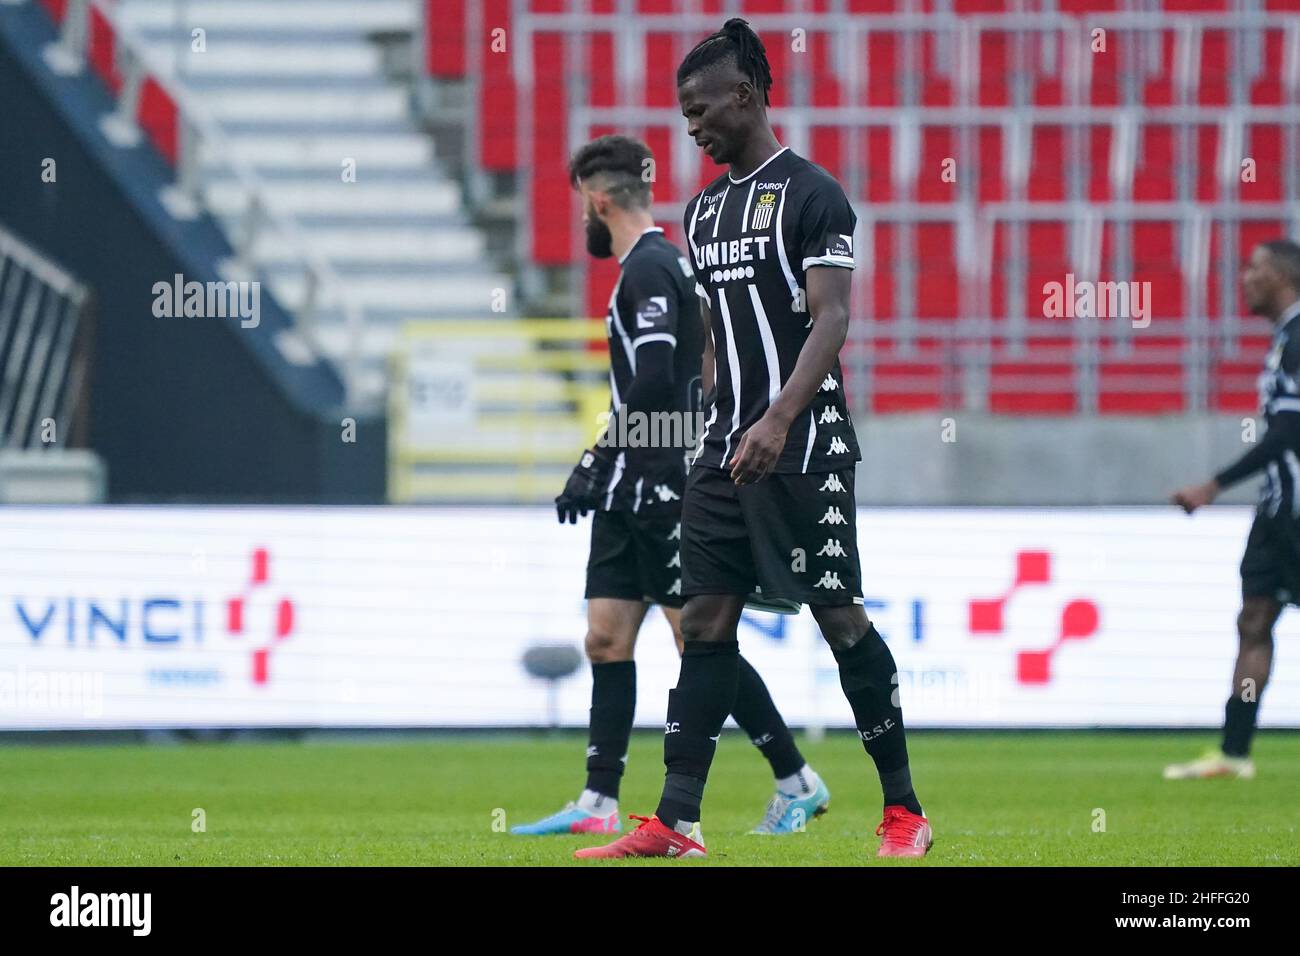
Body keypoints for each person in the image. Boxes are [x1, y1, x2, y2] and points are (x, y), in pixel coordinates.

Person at [576, 22, 931, 860]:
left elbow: (832, 318)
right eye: (682, 113)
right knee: (702, 620)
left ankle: (905, 814)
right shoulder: (700, 212)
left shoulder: (813, 194)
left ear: (745, 96)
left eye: (699, 109)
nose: (690, 127)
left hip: (804, 449)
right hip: (723, 450)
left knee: (841, 621)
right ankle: (675, 820)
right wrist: (717, 419)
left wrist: (777, 419)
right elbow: (710, 334)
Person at [512, 134, 829, 836]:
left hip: (656, 486)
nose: (583, 223)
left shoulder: (652, 268)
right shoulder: (656, 268)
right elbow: (701, 362)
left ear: (598, 200)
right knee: (604, 637)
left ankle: (795, 778)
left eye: (581, 209)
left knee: (698, 641)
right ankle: (597, 802)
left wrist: (599, 456)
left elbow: (655, 380)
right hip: (629, 489)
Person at [1167, 238, 1300, 780]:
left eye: (1257, 268)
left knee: (1255, 620)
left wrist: (1214, 484)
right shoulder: (1282, 341)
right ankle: (1234, 753)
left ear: (1284, 276)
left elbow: (1292, 429)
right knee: (1253, 620)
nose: (1245, 277)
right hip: (1276, 510)